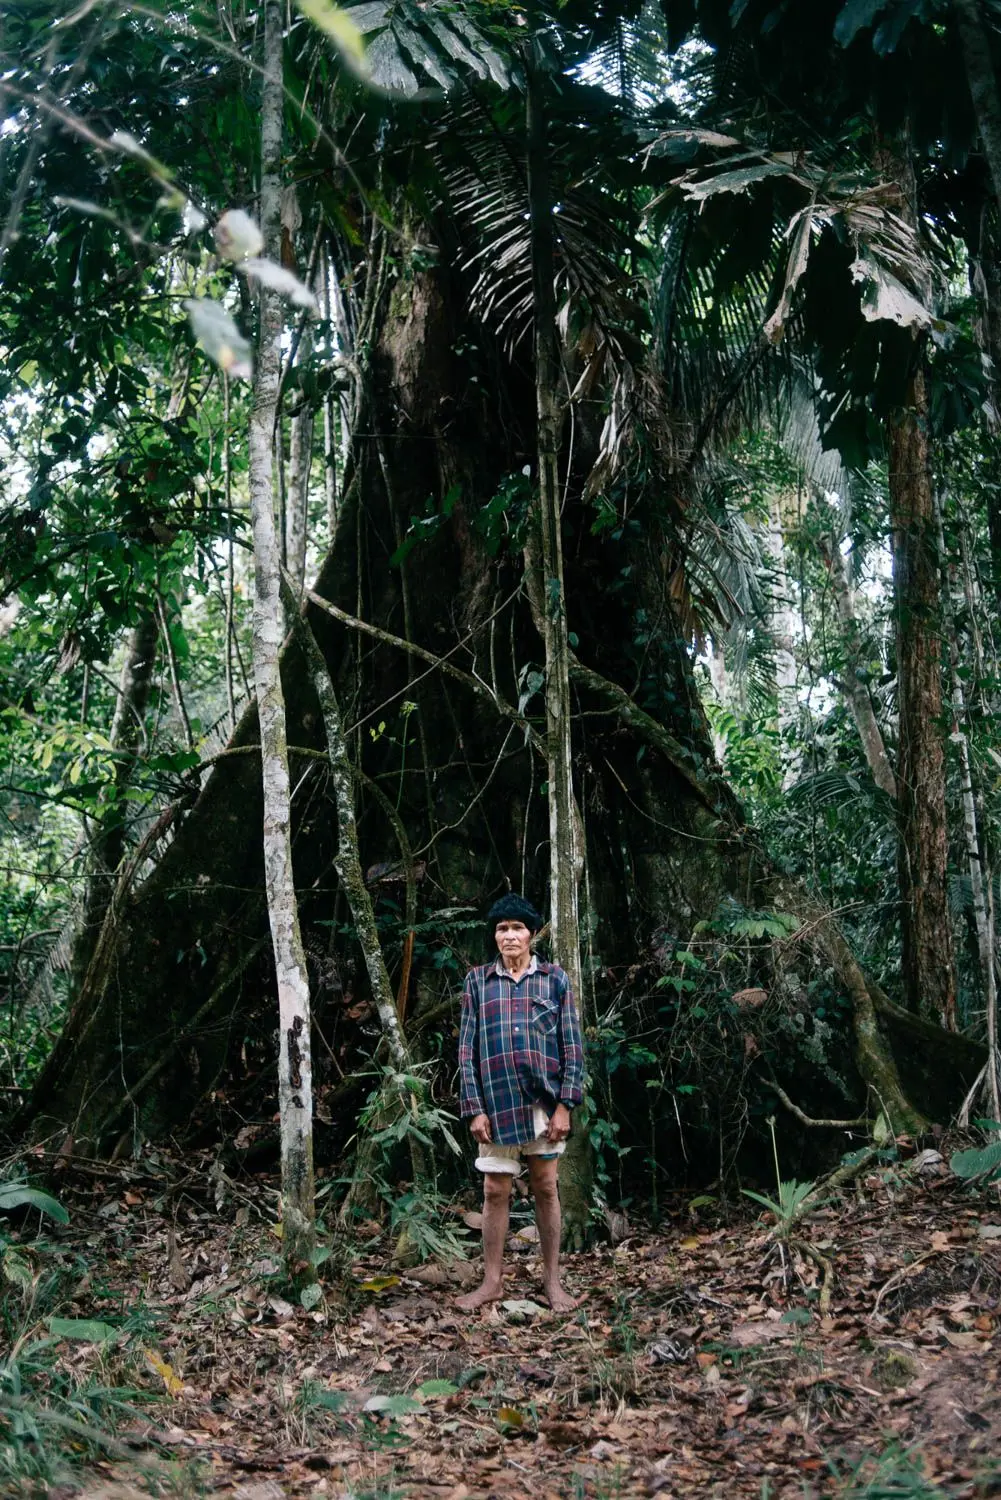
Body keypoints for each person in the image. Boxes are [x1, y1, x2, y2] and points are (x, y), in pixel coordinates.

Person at [455, 893, 583, 1312]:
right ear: (495, 936)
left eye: (517, 928)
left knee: (546, 1187)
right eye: (502, 928)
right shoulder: (477, 981)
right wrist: (473, 1107)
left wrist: (566, 1104)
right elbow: (466, 1050)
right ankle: (491, 1282)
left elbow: (572, 1046)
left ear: (531, 934)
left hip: (543, 1103)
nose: (509, 936)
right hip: (495, 1104)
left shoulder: (554, 979)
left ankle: (553, 1282)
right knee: (495, 1190)